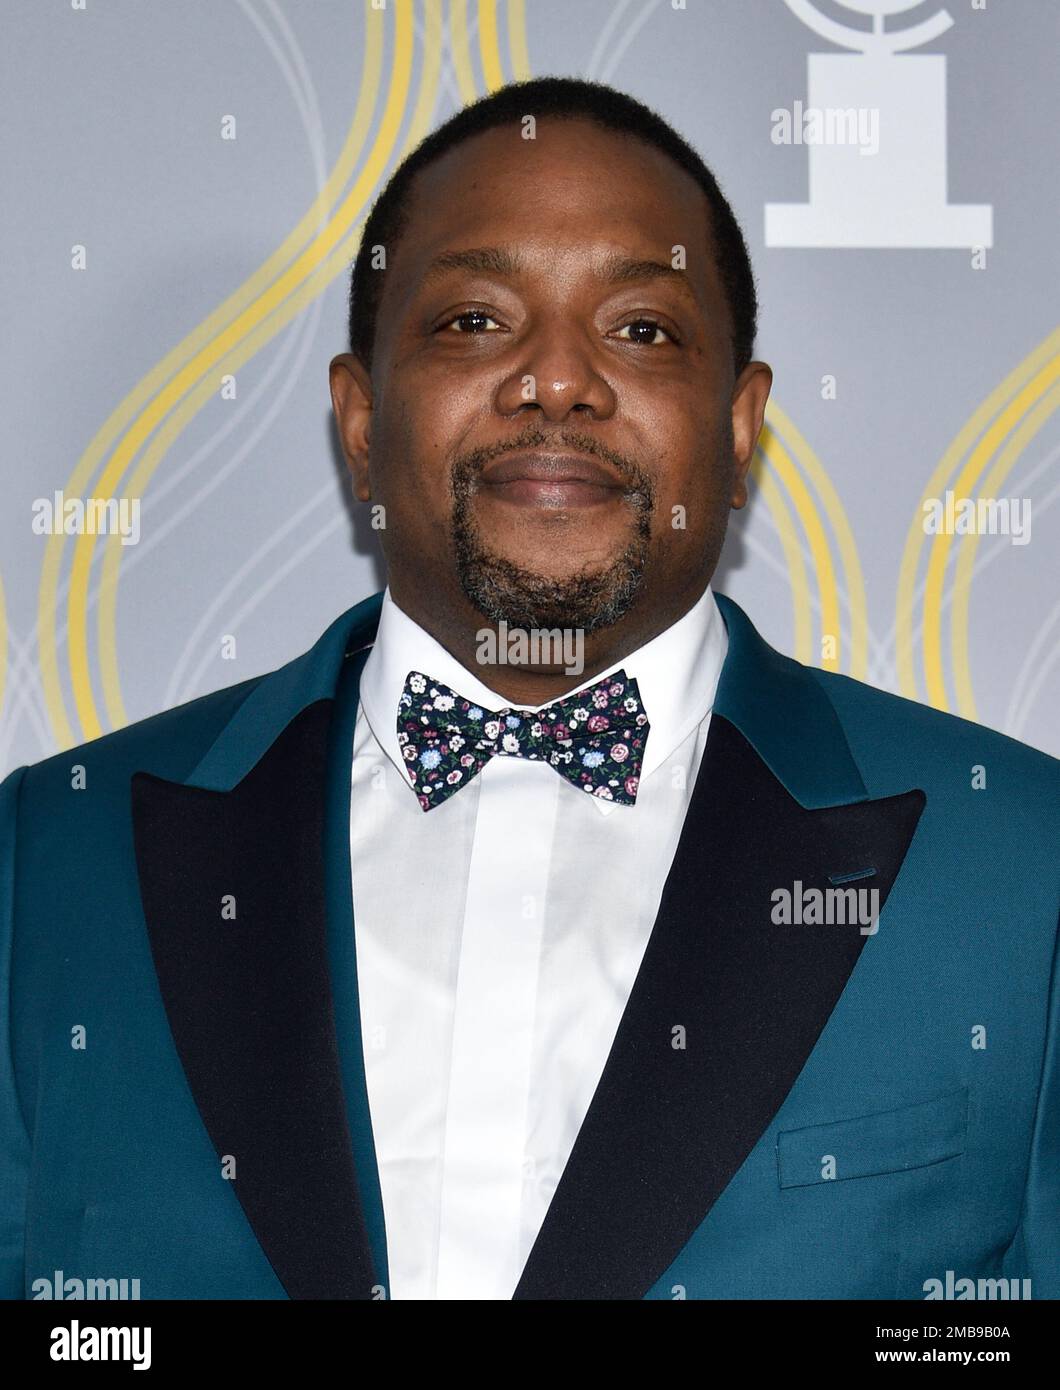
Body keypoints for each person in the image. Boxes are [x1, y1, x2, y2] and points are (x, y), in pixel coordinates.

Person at [1, 78, 1056, 1302]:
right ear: (357, 417)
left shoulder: (1020, 876)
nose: (557, 381)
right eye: (472, 320)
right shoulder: (47, 861)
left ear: (739, 423)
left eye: (643, 330)